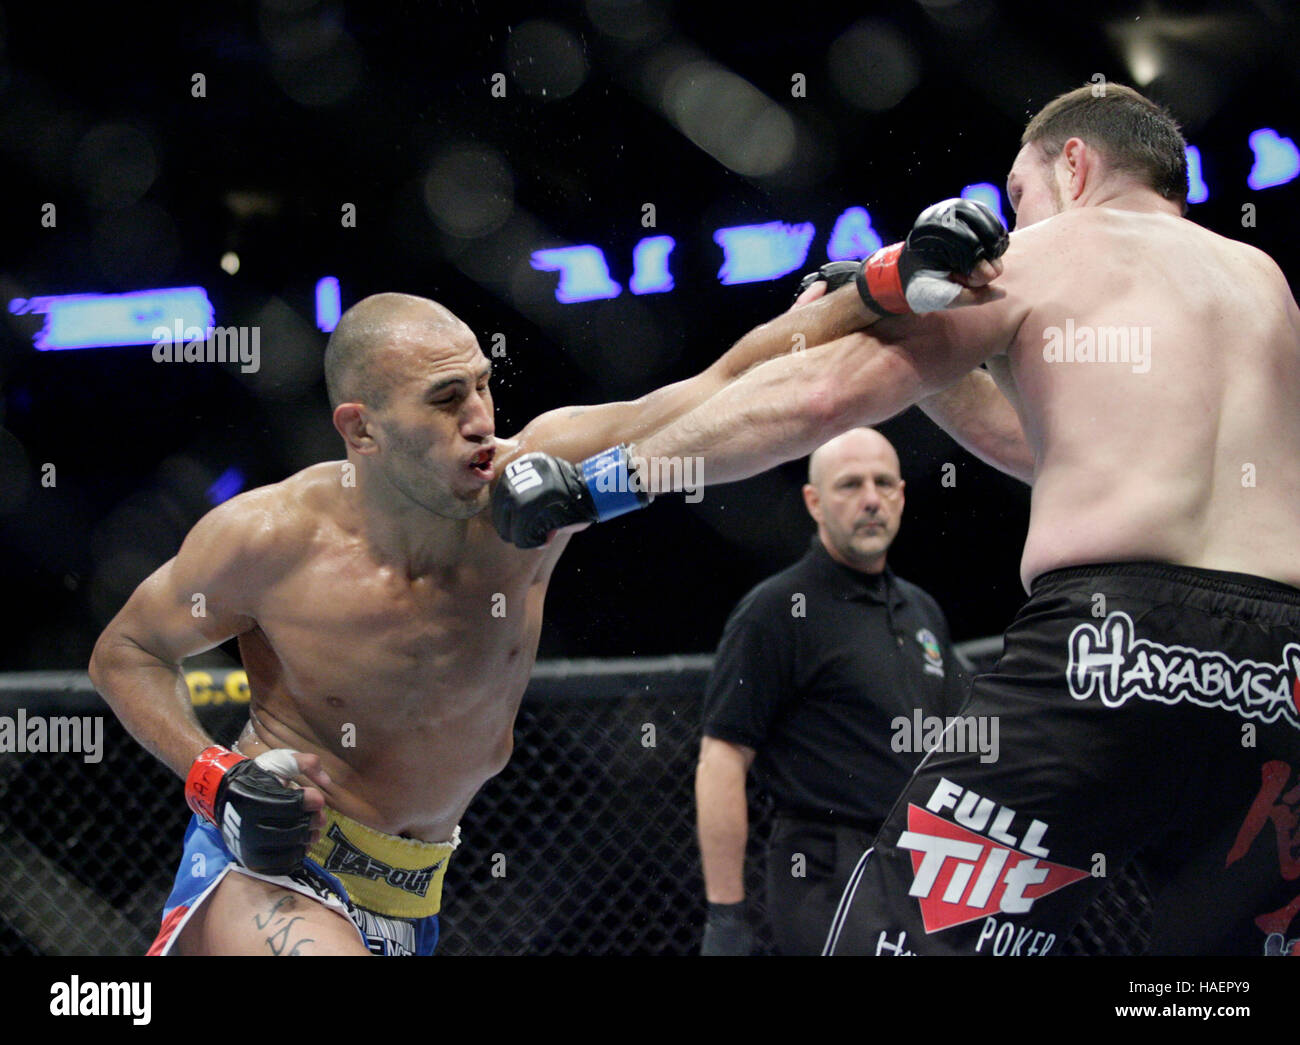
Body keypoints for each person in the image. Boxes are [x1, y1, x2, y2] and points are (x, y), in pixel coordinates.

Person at [494, 83, 1300, 956]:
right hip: (1280, 677)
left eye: (1017, 195)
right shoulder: (1264, 284)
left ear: (1074, 164)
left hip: (1107, 651)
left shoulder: (1049, 251)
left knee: (902, 940)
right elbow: (1054, 452)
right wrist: (909, 324)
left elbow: (820, 395)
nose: (1011, 220)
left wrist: (599, 486)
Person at [87, 287, 884, 955]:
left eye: (480, 385)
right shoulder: (267, 541)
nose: (479, 419)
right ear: (360, 428)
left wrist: (877, 288)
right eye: (445, 400)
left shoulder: (532, 485)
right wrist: (212, 778)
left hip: (414, 893)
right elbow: (125, 650)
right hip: (276, 868)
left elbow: (721, 384)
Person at [696, 428, 969, 955]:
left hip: (920, 865)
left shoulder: (921, 612)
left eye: (883, 482)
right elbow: (722, 758)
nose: (871, 499)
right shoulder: (777, 609)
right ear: (813, 502)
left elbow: (957, 745)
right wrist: (725, 916)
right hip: (825, 870)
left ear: (902, 495)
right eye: (850, 485)